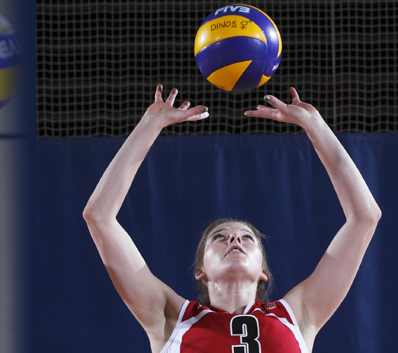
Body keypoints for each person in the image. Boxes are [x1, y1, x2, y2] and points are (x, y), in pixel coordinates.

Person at [82, 85, 381, 352]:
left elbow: (365, 217)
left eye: (247, 237)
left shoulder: (299, 315)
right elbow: (99, 216)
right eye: (220, 237)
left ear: (263, 269)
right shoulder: (170, 319)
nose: (235, 238)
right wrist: (150, 124)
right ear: (200, 270)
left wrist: (315, 124)